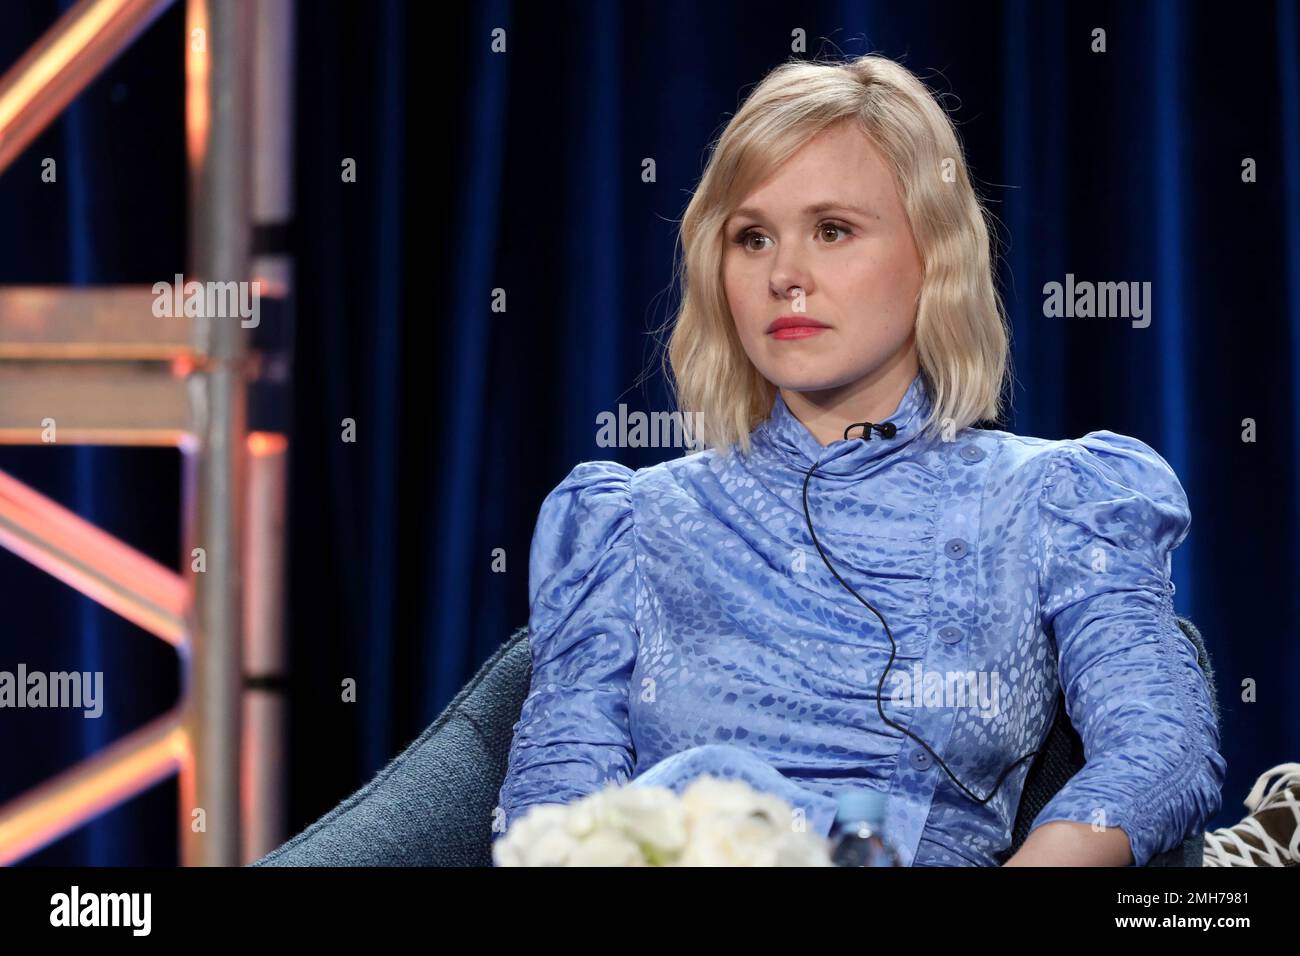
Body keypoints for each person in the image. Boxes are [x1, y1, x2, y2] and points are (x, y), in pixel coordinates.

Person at [493, 53, 1225, 866]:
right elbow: (554, 819)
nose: (785, 277)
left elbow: (1163, 750)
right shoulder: (627, 525)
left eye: (832, 230)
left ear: (934, 257)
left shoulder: (1056, 498)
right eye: (753, 237)